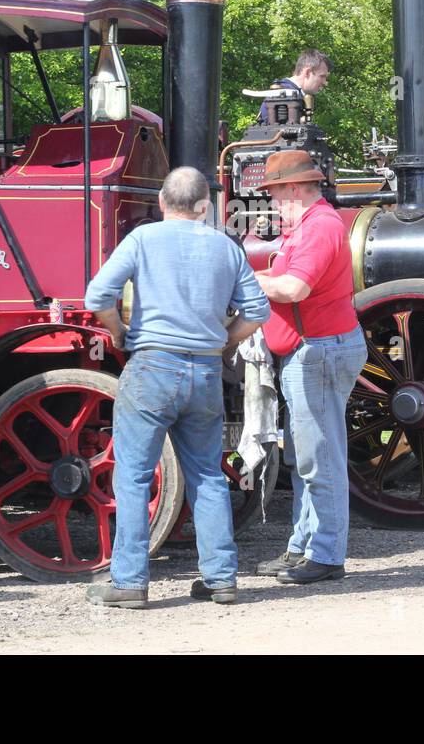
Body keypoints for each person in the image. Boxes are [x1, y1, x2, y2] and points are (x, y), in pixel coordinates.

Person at [84, 167, 270, 609]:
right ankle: (221, 579)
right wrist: (223, 341)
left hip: (152, 368)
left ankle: (129, 582)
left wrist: (118, 332)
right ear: (205, 208)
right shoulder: (226, 247)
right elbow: (257, 311)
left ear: (162, 204)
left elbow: (97, 297)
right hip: (204, 373)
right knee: (207, 475)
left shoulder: (143, 240)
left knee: (132, 475)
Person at [253, 150, 365, 585]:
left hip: (316, 351)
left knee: (321, 458)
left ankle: (327, 555)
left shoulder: (319, 227)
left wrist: (244, 278)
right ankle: (303, 548)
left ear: (296, 189)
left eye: (276, 193)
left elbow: (294, 288)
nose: (272, 202)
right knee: (304, 455)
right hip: (312, 349)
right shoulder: (311, 225)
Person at [257, 49, 332, 123]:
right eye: (322, 76)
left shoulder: (296, 95)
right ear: (308, 72)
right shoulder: (285, 95)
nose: (325, 82)